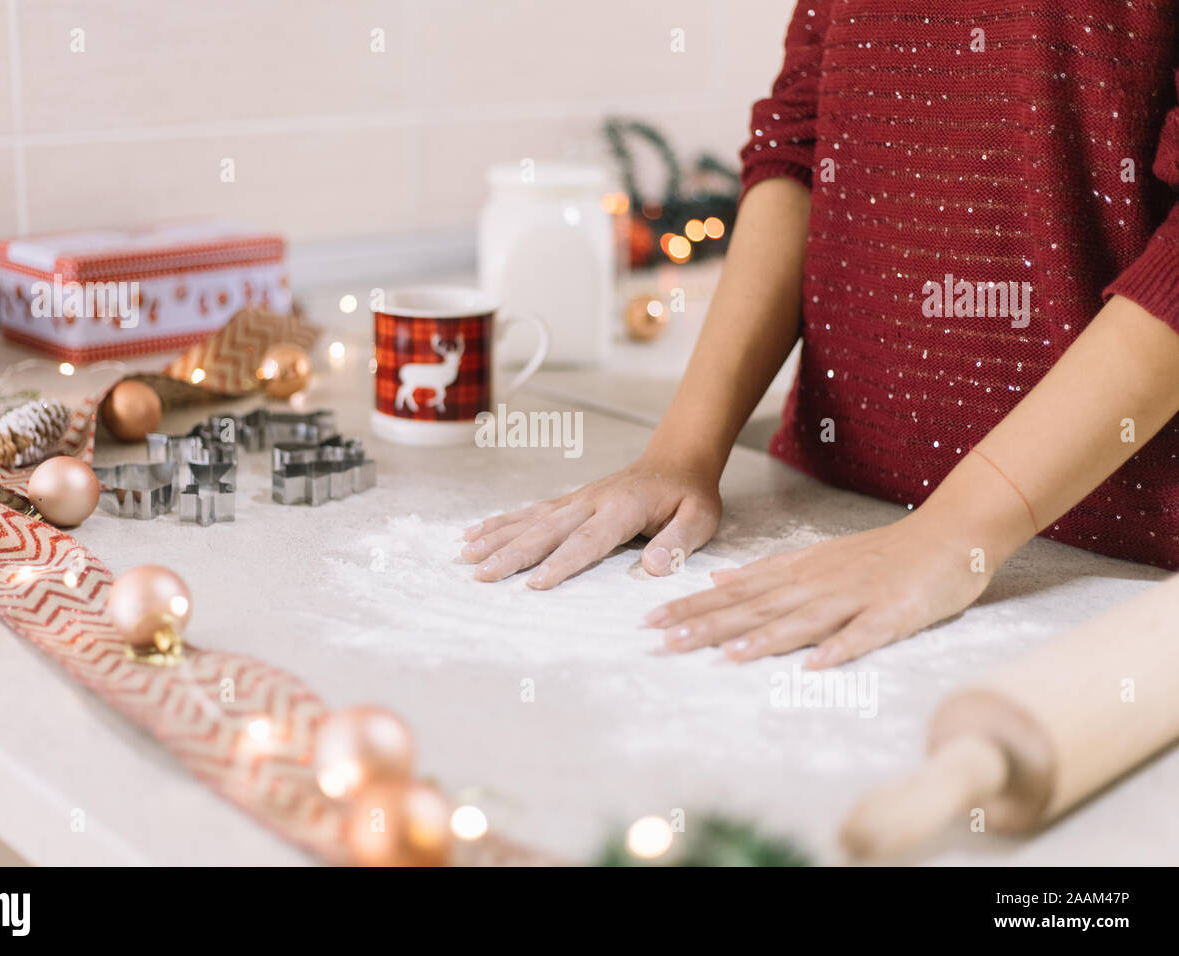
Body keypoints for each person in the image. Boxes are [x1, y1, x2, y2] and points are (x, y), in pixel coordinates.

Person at [461, 3, 1179, 669]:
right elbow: (802, 143)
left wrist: (956, 530)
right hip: (834, 502)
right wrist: (681, 451)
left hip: (1111, 567)